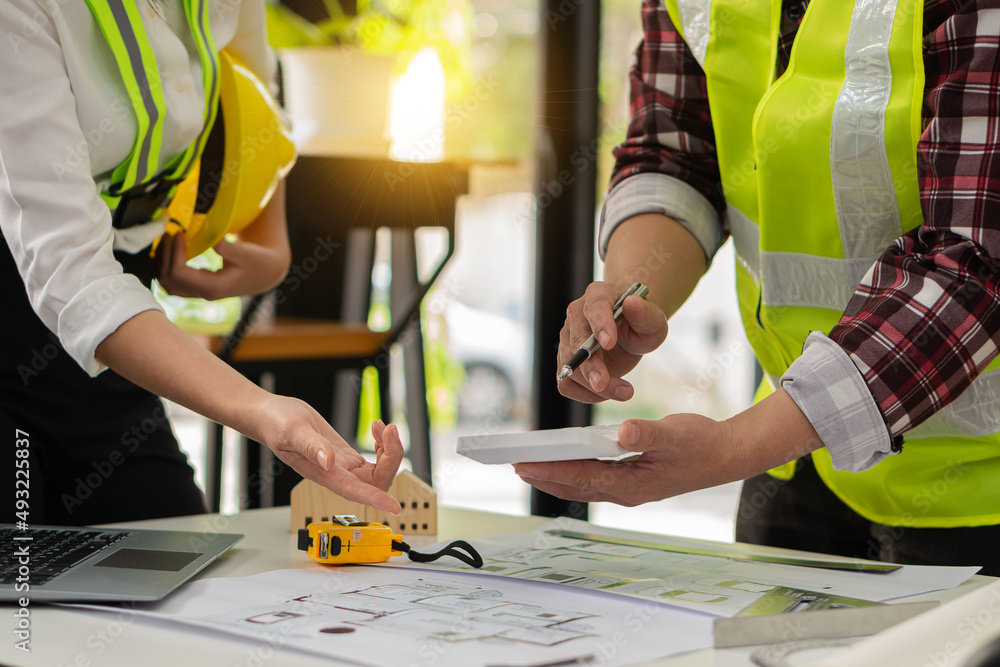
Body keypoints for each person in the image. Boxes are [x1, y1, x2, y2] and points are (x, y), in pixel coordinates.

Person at [513, 0, 1000, 574]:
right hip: (801, 453)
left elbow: (974, 260)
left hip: (976, 487)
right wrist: (625, 294)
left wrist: (734, 447)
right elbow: (675, 153)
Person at [0, 0, 402, 525]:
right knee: (23, 591)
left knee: (179, 562)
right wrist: (261, 411)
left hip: (121, 334)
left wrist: (271, 247)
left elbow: (258, 109)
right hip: (29, 303)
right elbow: (73, 278)